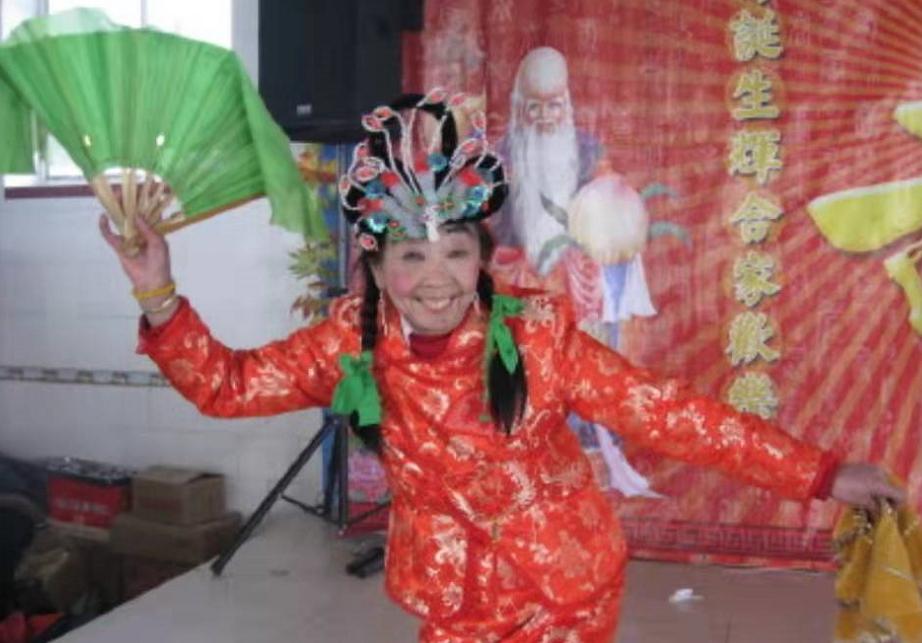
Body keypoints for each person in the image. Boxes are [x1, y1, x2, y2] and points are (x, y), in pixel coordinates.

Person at [101, 90, 904, 642]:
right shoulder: (352, 339)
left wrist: (823, 473)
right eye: (412, 255)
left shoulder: (540, 335)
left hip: (565, 589)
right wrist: (158, 290)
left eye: (457, 251)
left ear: (483, 259)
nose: (437, 277)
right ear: (378, 270)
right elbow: (228, 386)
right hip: (450, 597)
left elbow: (674, 414)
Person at [492, 46, 661, 497]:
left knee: (587, 363)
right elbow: (486, 230)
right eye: (536, 107)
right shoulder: (501, 155)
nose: (546, 117)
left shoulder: (587, 150)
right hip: (519, 285)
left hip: (578, 281)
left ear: (565, 104)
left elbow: (607, 213)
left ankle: (590, 448)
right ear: (520, 107)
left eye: (554, 106)